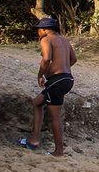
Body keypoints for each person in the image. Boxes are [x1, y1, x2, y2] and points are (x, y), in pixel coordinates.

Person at [17, 16, 76, 157]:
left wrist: (41, 75)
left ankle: (58, 151)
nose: (38, 33)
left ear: (44, 29)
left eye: (38, 30)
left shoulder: (46, 39)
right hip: (67, 79)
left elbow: (46, 58)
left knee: (55, 116)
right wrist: (63, 68)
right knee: (37, 103)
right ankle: (34, 139)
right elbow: (74, 59)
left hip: (57, 80)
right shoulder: (64, 41)